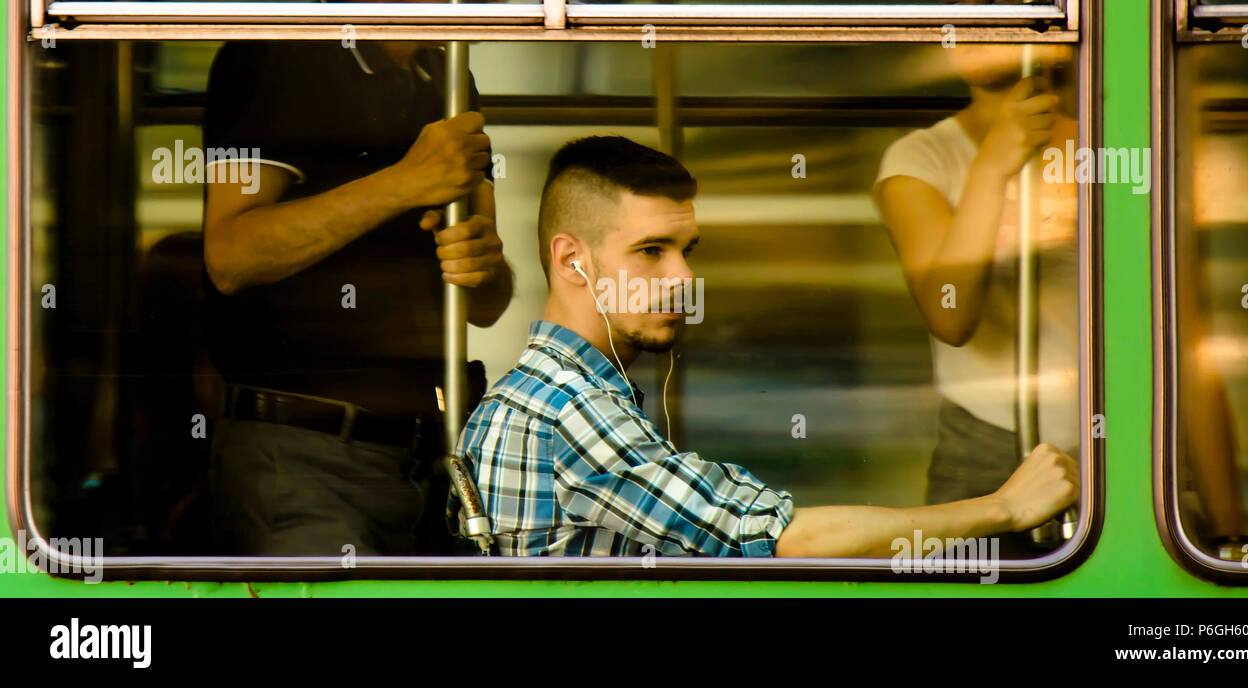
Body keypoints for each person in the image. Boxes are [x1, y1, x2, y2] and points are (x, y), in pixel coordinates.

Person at [453, 136, 1078, 557]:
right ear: (572, 261)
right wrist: (1003, 508)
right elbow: (780, 540)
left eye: (685, 251)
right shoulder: (572, 410)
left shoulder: (523, 397)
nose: (683, 279)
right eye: (650, 252)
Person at [201, 40, 513, 556]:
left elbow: (486, 305)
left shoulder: (449, 70)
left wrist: (482, 263)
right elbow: (230, 257)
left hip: (439, 452)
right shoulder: (279, 48)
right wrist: (404, 183)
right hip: (305, 451)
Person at [872, 44, 1081, 557]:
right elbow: (951, 315)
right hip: (987, 447)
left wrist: (1230, 535)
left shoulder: (1113, 146)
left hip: (1133, 438)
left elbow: (1182, 339)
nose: (975, 19)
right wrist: (991, 169)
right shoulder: (922, 158)